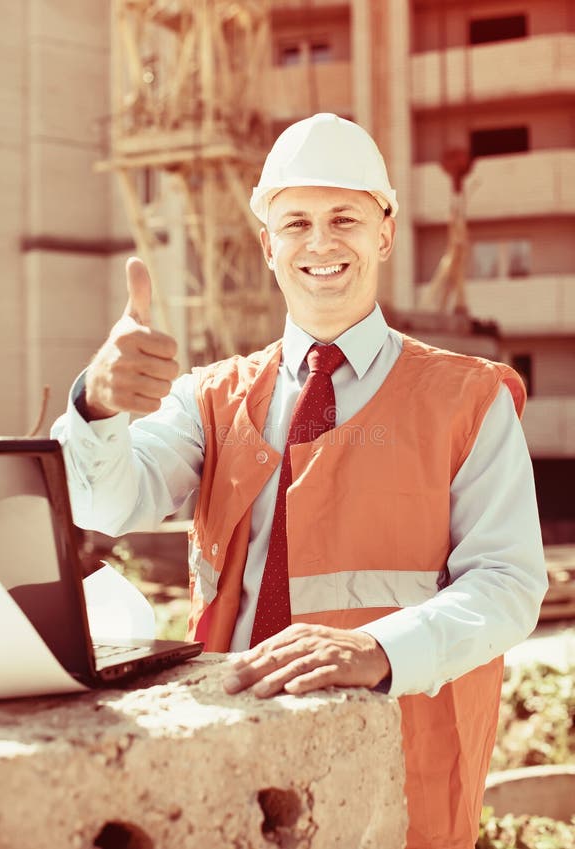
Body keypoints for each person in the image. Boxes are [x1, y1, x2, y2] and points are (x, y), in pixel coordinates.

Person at [52, 113, 547, 849]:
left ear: (384, 231)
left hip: (397, 769)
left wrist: (380, 648)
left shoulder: (468, 398)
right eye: (296, 223)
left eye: (344, 216)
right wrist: (96, 402)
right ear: (267, 245)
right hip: (233, 765)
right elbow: (105, 500)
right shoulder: (210, 398)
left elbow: (508, 581)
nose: (320, 242)